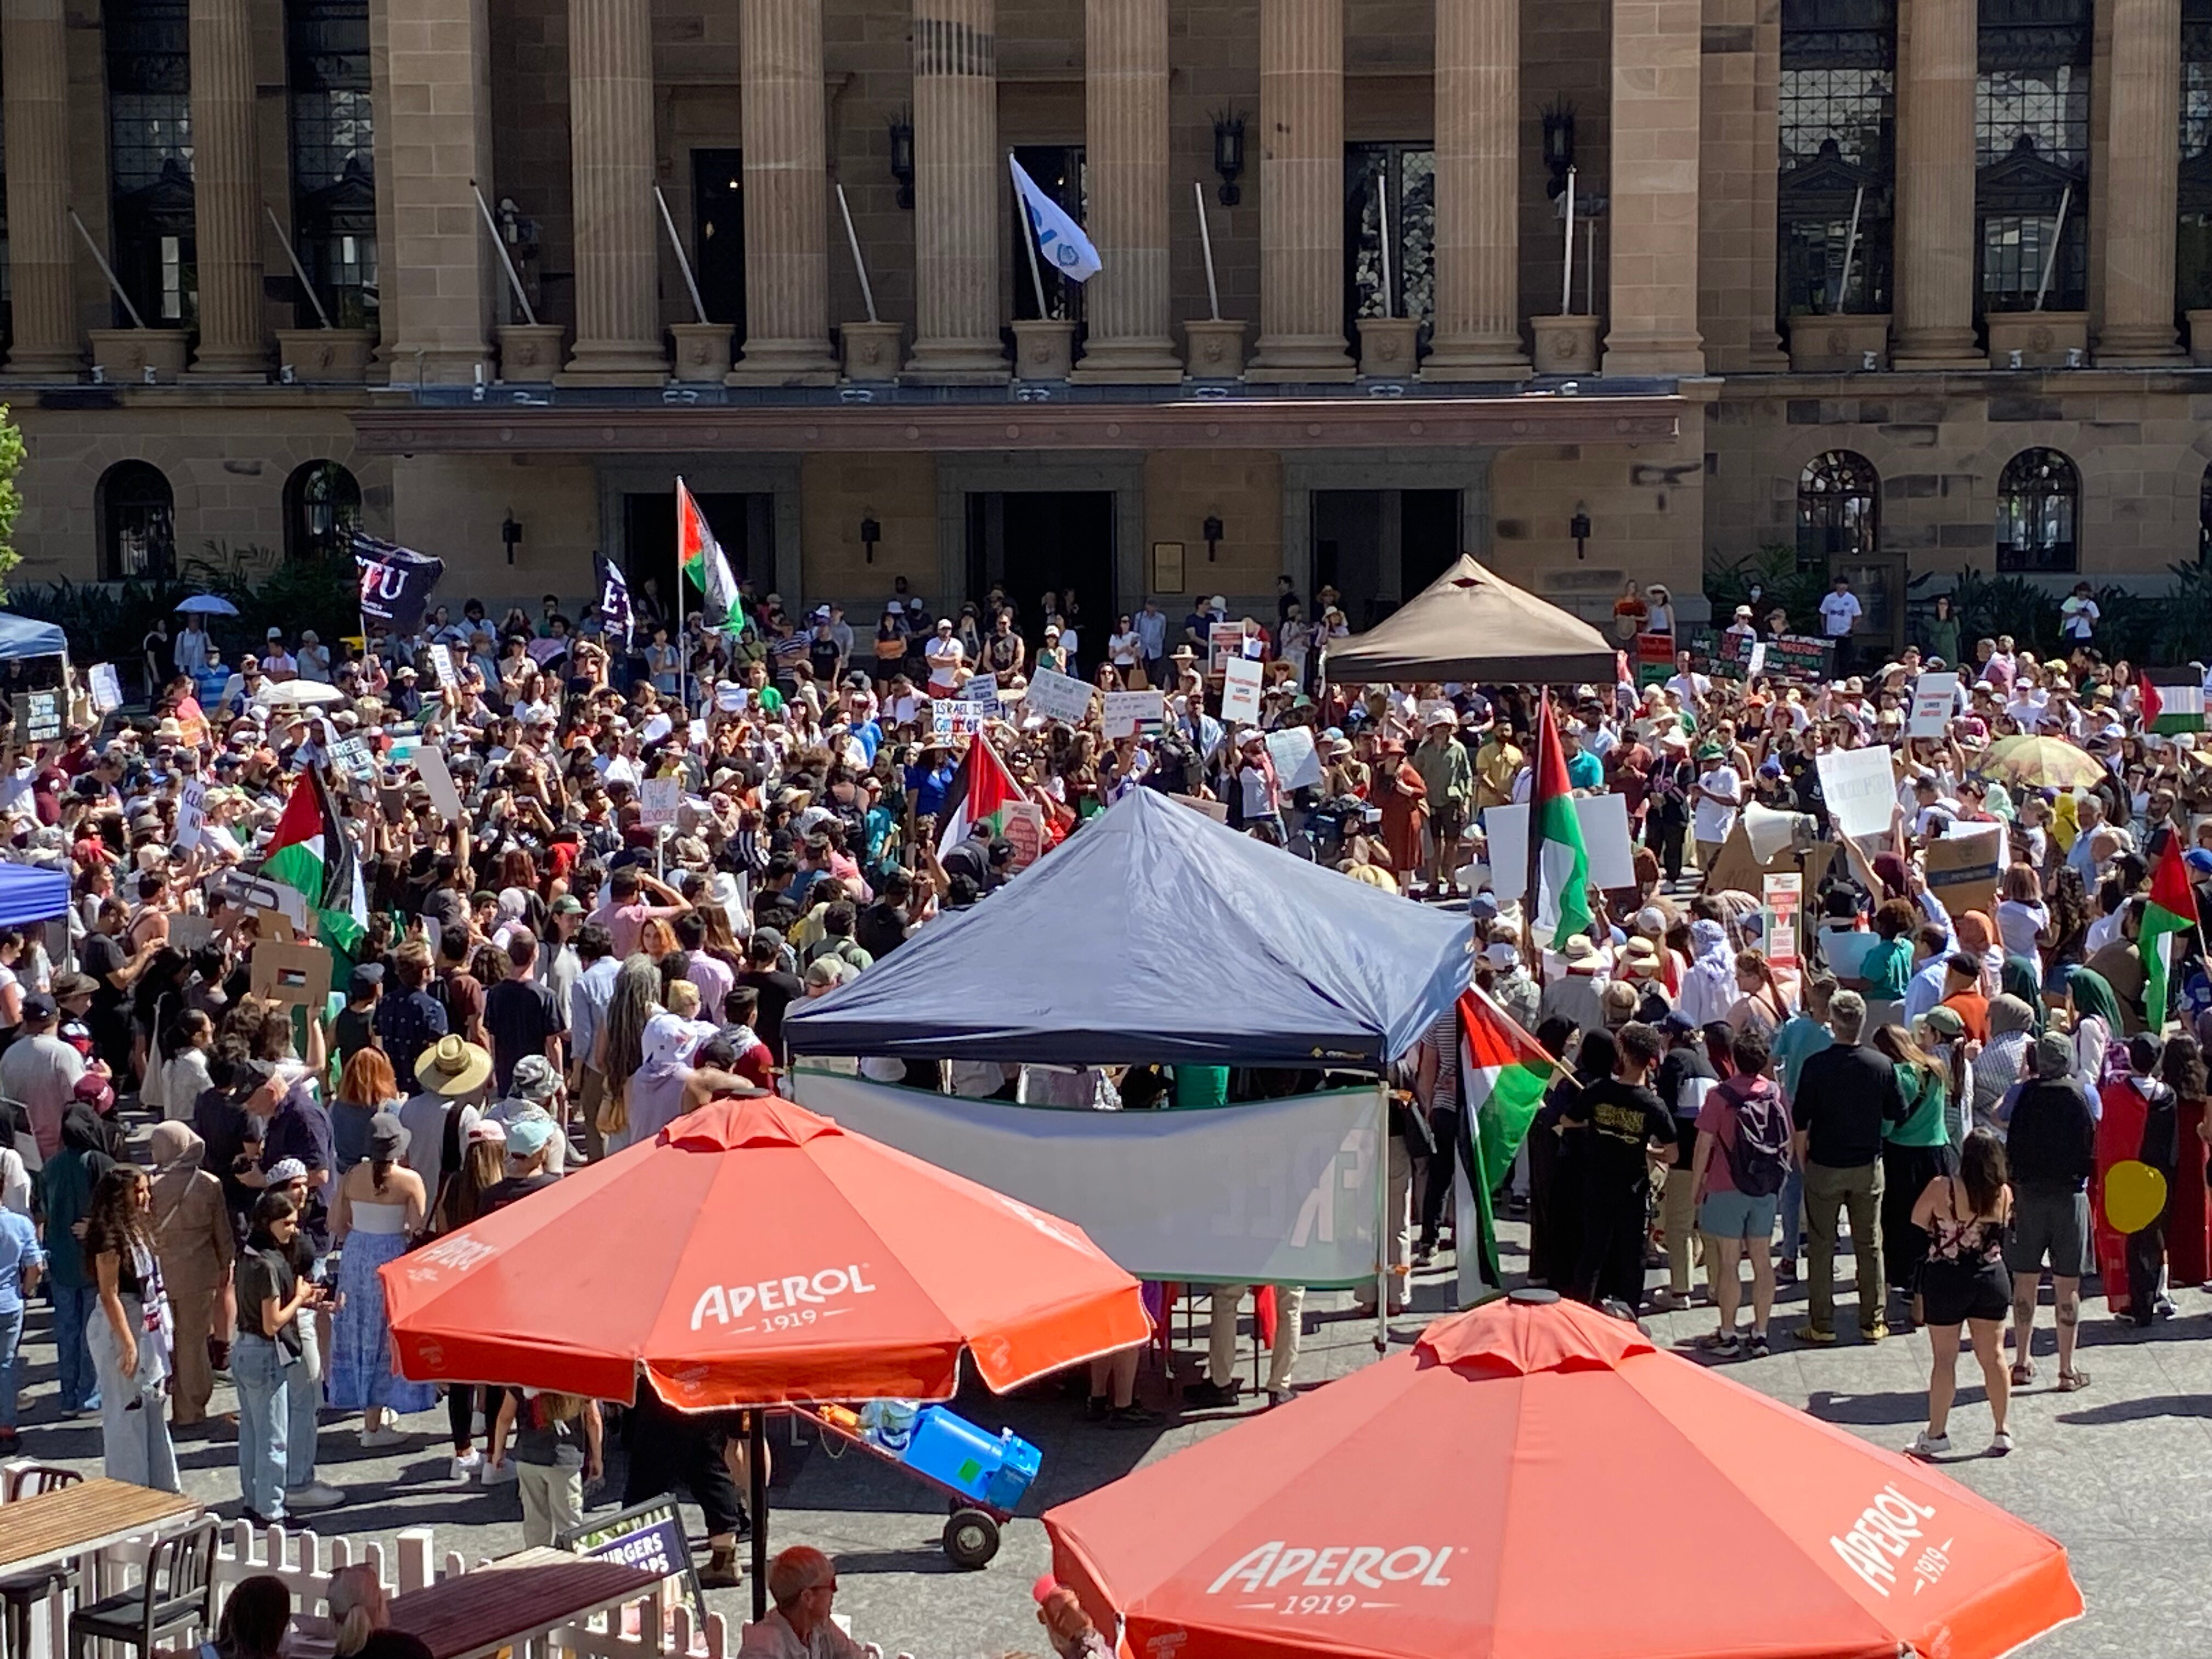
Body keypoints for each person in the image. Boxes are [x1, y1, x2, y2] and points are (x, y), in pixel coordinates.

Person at [1791, 990, 1908, 1343]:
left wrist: (1802, 1160)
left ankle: (1822, 1323)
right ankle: (1872, 1321)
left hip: (1825, 1164)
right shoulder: (1881, 1066)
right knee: (1870, 1243)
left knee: (1822, 1245)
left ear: (1833, 1021)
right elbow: (1897, 1114)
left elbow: (1800, 1121)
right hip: (1867, 1165)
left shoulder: (1816, 1065)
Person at [1906, 1127, 2016, 1459]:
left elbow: (1916, 1220)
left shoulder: (1943, 1188)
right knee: (1994, 1356)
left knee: (1944, 1359)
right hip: (1991, 1278)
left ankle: (1937, 1433)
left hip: (1946, 1278)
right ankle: (2001, 1430)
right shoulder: (2005, 1193)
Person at [329, 1113, 438, 1446]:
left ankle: (370, 1417)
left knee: (360, 1329)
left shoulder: (352, 1176)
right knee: (388, 1332)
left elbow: (336, 1223)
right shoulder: (410, 1180)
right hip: (391, 1255)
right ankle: (377, 1423)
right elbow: (418, 1228)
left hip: (357, 1253)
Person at [1559, 1020, 1676, 1309]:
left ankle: (1580, 1309)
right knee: (1631, 1252)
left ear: (1621, 1054)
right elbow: (1672, 1154)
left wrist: (1594, 1124)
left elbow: (1567, 1120)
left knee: (1593, 1250)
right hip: (1633, 1186)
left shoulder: (1597, 1091)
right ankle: (1630, 1313)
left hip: (1597, 1180)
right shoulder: (1652, 1104)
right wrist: (1648, 1149)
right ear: (1651, 1059)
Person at [2004, 1030, 2097, 1391]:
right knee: (2067, 1285)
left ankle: (2022, 1361)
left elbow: (2012, 1141)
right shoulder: (2079, 1094)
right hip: (2069, 1195)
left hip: (2029, 1195)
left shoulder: (2028, 1094)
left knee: (2025, 1281)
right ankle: (2065, 1368)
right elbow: (2091, 1146)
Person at [1691, 1025, 1789, 1357]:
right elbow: (1785, 1138)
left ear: (1733, 1059)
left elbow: (1704, 1145)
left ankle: (1729, 1333)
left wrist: (1696, 1188)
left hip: (1725, 1184)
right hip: (1764, 1187)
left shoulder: (1719, 1097)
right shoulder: (1775, 1093)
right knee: (1762, 1261)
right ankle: (1760, 1332)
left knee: (1729, 1262)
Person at [84, 1163, 180, 1491]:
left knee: (152, 1407)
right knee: (126, 1414)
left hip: (147, 1321)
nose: (144, 1197)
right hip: (121, 1324)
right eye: (137, 1191)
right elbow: (109, 1294)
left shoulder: (139, 1229)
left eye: (146, 1190)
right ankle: (130, 1493)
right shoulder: (108, 1235)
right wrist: (128, 1343)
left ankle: (161, 1490)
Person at [233, 1190, 317, 1524]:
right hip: (265, 1354)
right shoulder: (267, 1266)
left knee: (252, 1435)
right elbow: (273, 1324)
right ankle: (272, 1510)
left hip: (244, 1349)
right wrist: (299, 1298)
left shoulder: (248, 1255)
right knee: (273, 1437)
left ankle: (254, 1502)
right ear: (269, 1223)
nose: (293, 1230)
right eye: (287, 1223)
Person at [1875, 1022, 1962, 1333]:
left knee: (1896, 1226)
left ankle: (1883, 1302)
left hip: (1903, 1158)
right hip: (1936, 1156)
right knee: (1932, 1229)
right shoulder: (1937, 1068)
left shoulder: (1897, 1077)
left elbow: (1888, 1125)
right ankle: (1921, 1304)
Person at [148, 1120, 234, 1431]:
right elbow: (222, 1233)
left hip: (160, 1274)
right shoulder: (209, 1184)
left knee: (164, 1341)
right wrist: (227, 1265)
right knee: (193, 1342)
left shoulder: (151, 1187)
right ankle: (190, 1407)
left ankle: (164, 1403)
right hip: (200, 1273)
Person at [43, 1100, 114, 1417]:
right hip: (92, 1261)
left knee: (67, 1330)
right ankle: (90, 1394)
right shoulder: (99, 1163)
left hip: (60, 1259)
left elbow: (43, 1208)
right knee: (93, 1331)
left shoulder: (51, 1167)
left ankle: (68, 1395)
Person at [489, 1389, 604, 1547]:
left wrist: (498, 1451)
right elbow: (593, 1420)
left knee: (535, 1523)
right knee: (569, 1524)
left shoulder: (523, 1375)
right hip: (565, 1460)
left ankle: (538, 1566)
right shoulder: (578, 1375)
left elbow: (505, 1418)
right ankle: (569, 1567)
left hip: (528, 1458)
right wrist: (597, 1458)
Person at [737, 1547, 867, 1659]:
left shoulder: (822, 1628)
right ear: (808, 1597)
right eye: (831, 1585)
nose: (834, 1592)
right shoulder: (765, 1645)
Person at [0, 1178, 41, 1453]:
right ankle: (5, 1427)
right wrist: (26, 1291)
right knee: (6, 1365)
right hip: (9, 1303)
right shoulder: (20, 1224)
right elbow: (34, 1266)